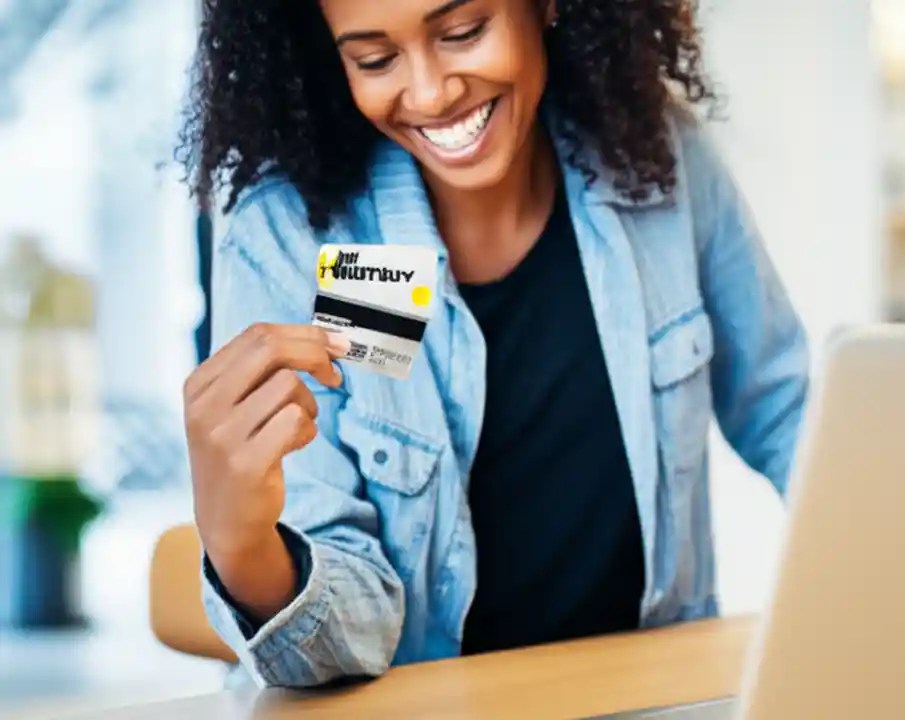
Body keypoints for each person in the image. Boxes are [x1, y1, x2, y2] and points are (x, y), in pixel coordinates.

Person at [179, 0, 809, 688]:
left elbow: (787, 409)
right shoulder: (302, 234)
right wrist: (245, 550)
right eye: (375, 59)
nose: (430, 92)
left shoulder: (656, 157)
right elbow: (338, 642)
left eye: (462, 33)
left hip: (645, 695)